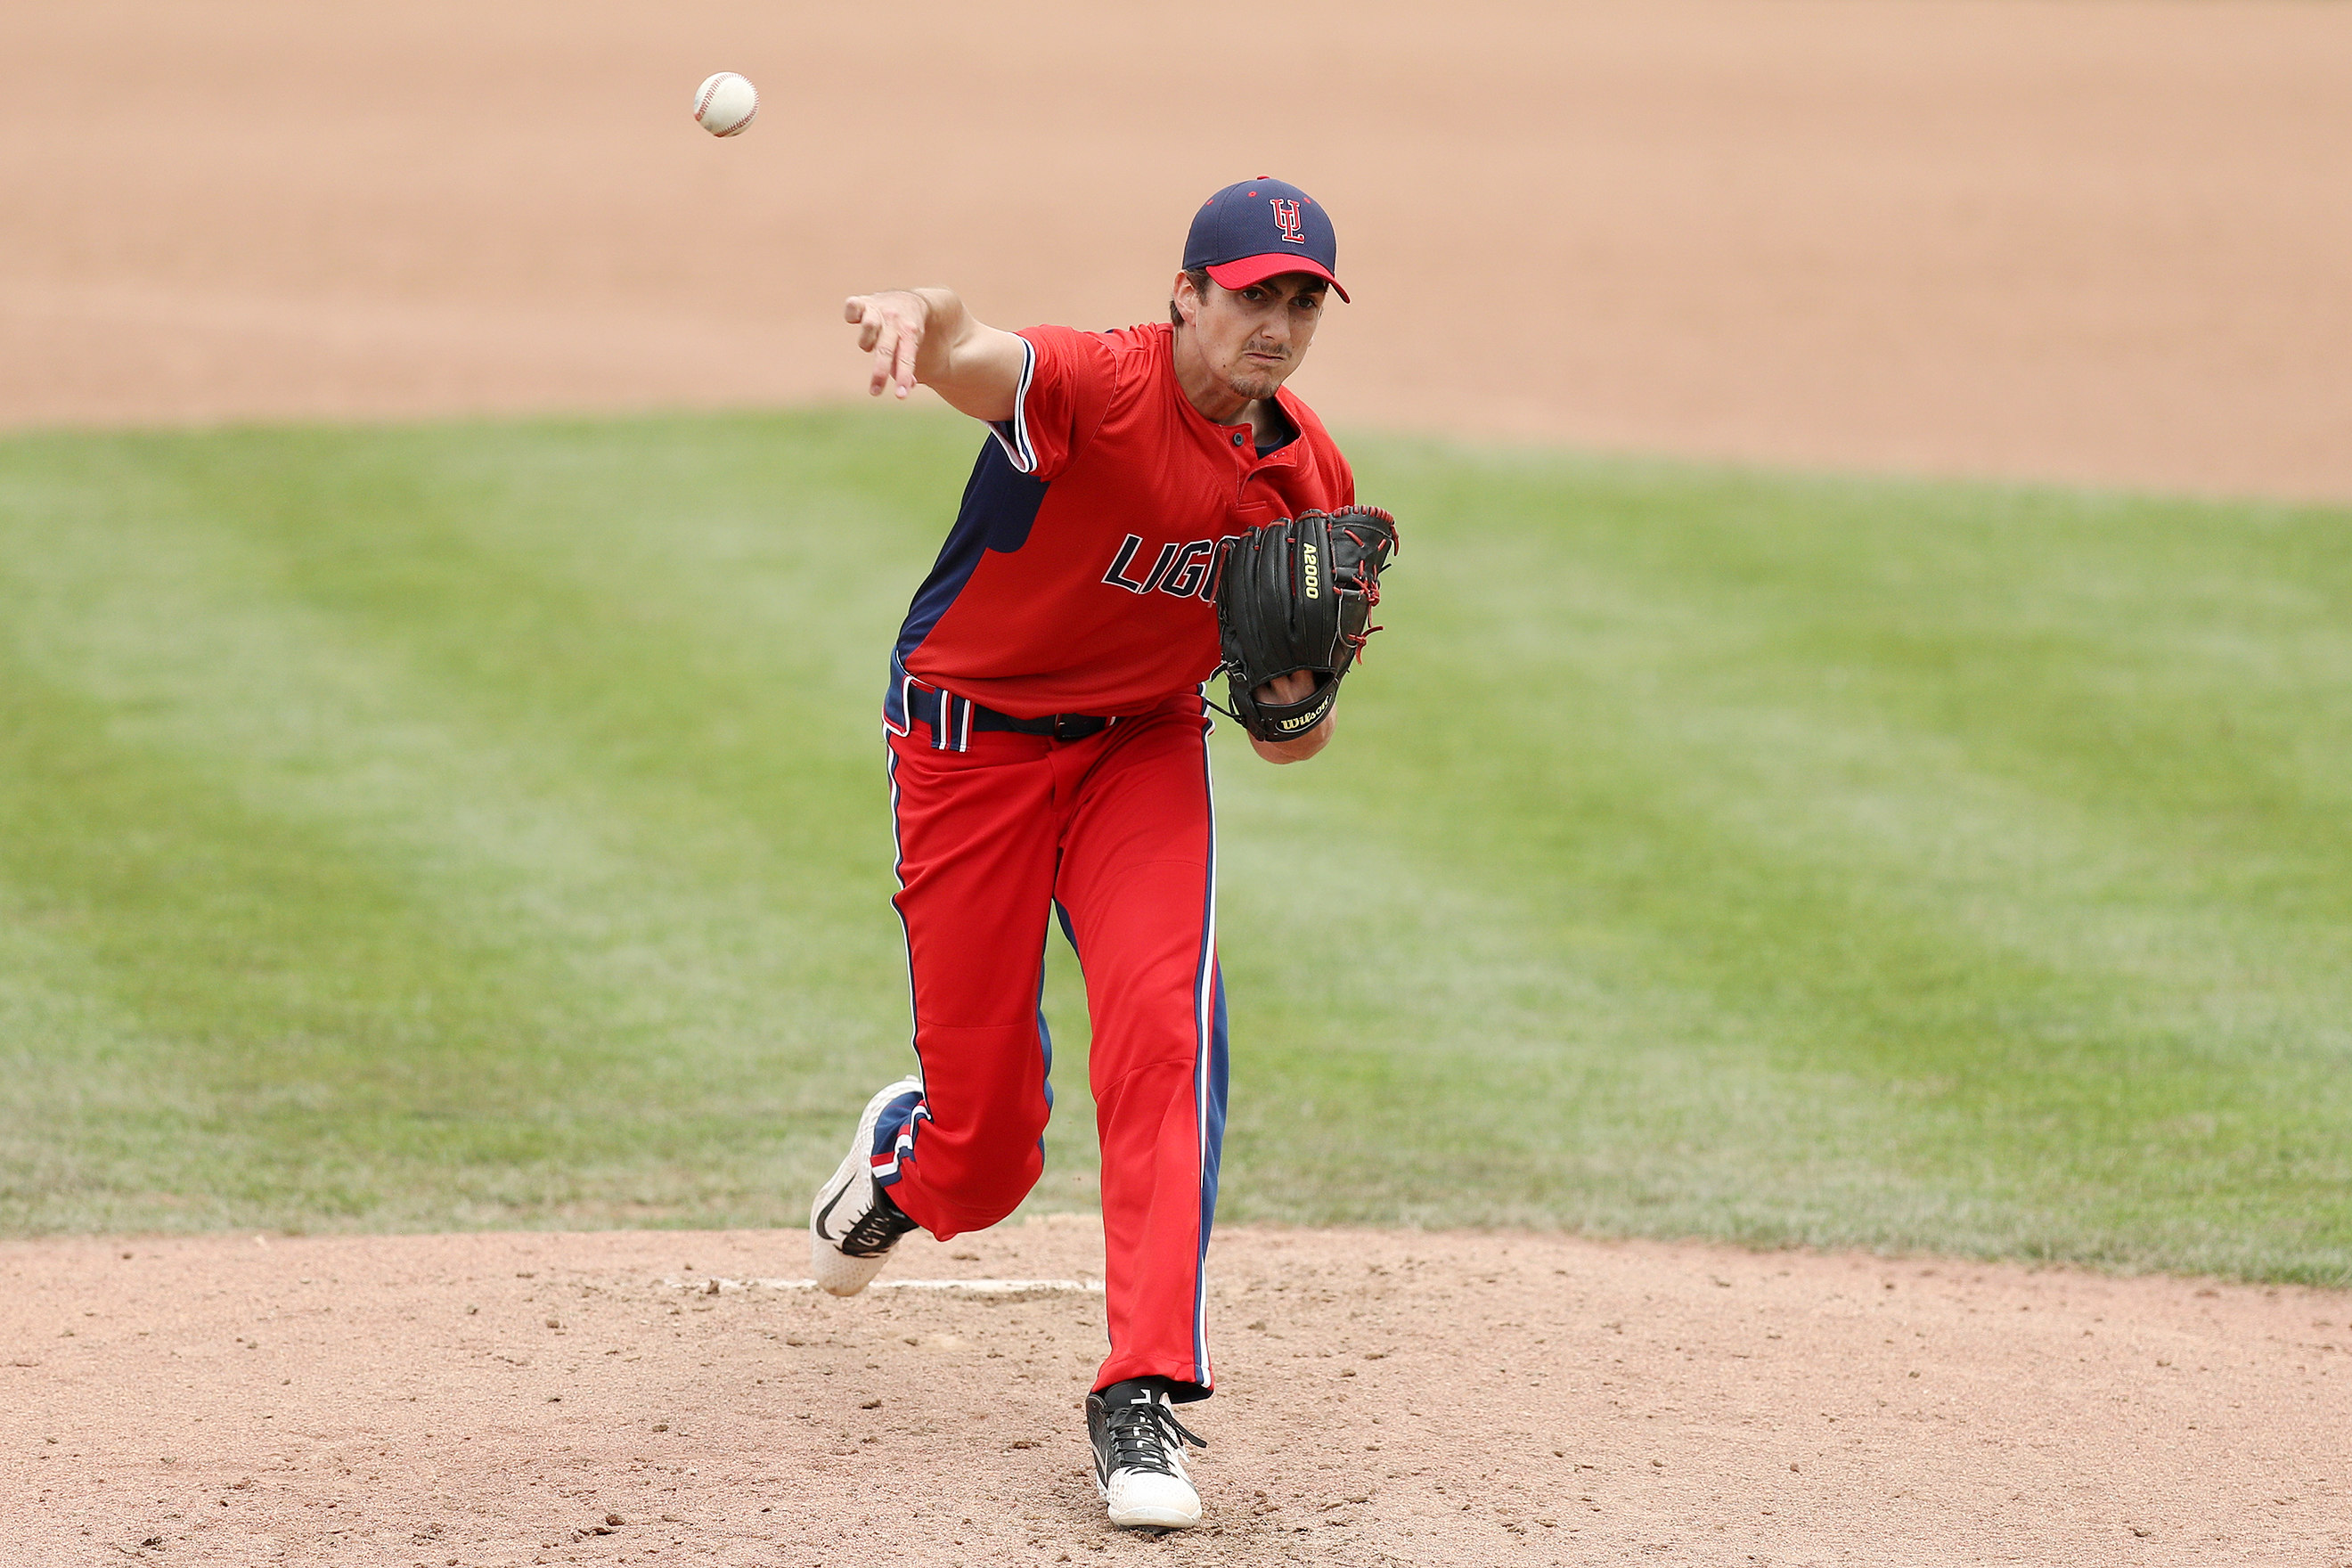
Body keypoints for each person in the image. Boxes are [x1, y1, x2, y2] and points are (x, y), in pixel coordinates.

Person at [807, 177, 1358, 1532]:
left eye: (1300, 301)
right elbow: (969, 345)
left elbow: (1291, 750)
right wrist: (913, 315)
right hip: (969, 743)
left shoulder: (1308, 484)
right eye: (1249, 295)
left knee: (1168, 1028)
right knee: (988, 1160)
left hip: (1140, 752)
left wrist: (1296, 700)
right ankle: (906, 1159)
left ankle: (1141, 1393)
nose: (1273, 323)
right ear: (1187, 295)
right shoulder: (1096, 386)